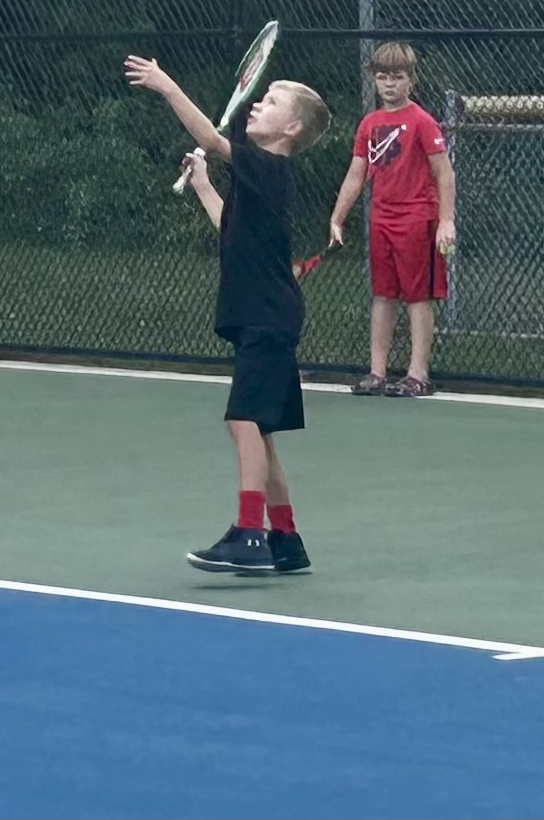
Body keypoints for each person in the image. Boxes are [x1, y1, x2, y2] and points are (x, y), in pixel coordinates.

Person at [124, 54, 330, 575]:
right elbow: (231, 231)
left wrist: (168, 85)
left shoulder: (268, 165)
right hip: (267, 317)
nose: (258, 104)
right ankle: (285, 538)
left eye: (272, 102)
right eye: (260, 98)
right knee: (258, 431)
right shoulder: (259, 180)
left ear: (293, 128)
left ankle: (248, 535)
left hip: (267, 319)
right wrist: (203, 187)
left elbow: (216, 143)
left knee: (241, 421)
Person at [328, 42, 456, 397]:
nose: (389, 84)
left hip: (418, 219)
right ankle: (377, 373)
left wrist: (446, 221)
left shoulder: (423, 122)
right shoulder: (369, 124)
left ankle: (418, 375)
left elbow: (444, 173)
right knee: (383, 295)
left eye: (397, 77)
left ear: (411, 80)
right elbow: (357, 174)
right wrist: (337, 217)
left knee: (417, 297)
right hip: (381, 220)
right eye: (382, 76)